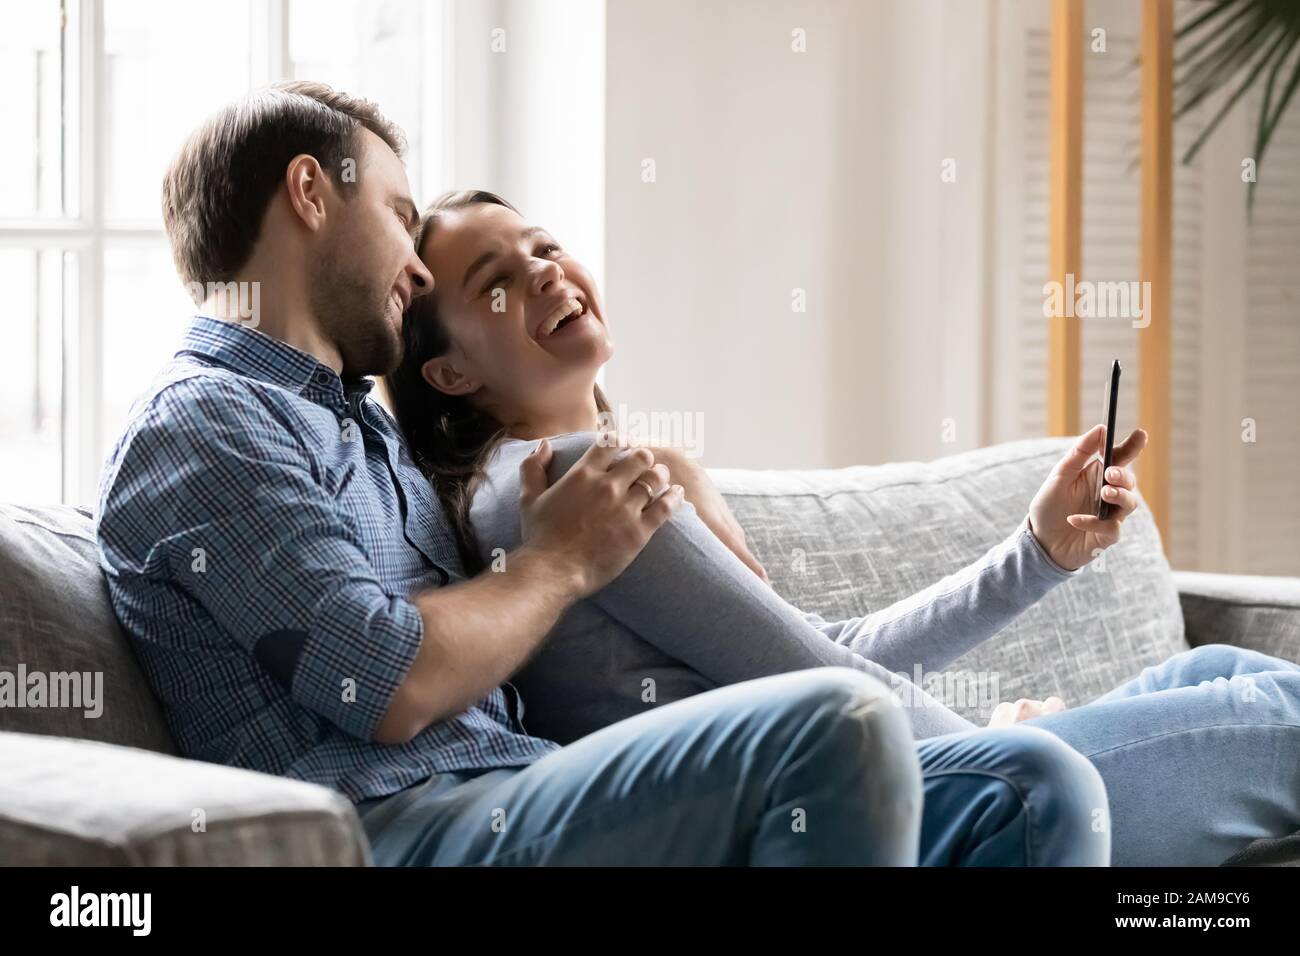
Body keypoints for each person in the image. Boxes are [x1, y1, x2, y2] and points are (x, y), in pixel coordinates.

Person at [95, 83, 1109, 867]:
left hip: (520, 785)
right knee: (835, 723)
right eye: (401, 217)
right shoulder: (205, 422)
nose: (412, 266)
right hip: (396, 828)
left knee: (1016, 787)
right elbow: (388, 680)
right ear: (312, 193)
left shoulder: (362, 430)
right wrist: (560, 562)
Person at [388, 188, 1300, 867]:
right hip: (868, 810)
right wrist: (988, 748)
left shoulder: (592, 474)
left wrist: (1035, 556)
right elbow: (814, 679)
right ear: (451, 374)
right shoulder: (568, 484)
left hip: (891, 768)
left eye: (542, 245)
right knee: (1285, 716)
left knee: (1230, 671)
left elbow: (818, 651)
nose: (542, 270)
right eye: (497, 281)